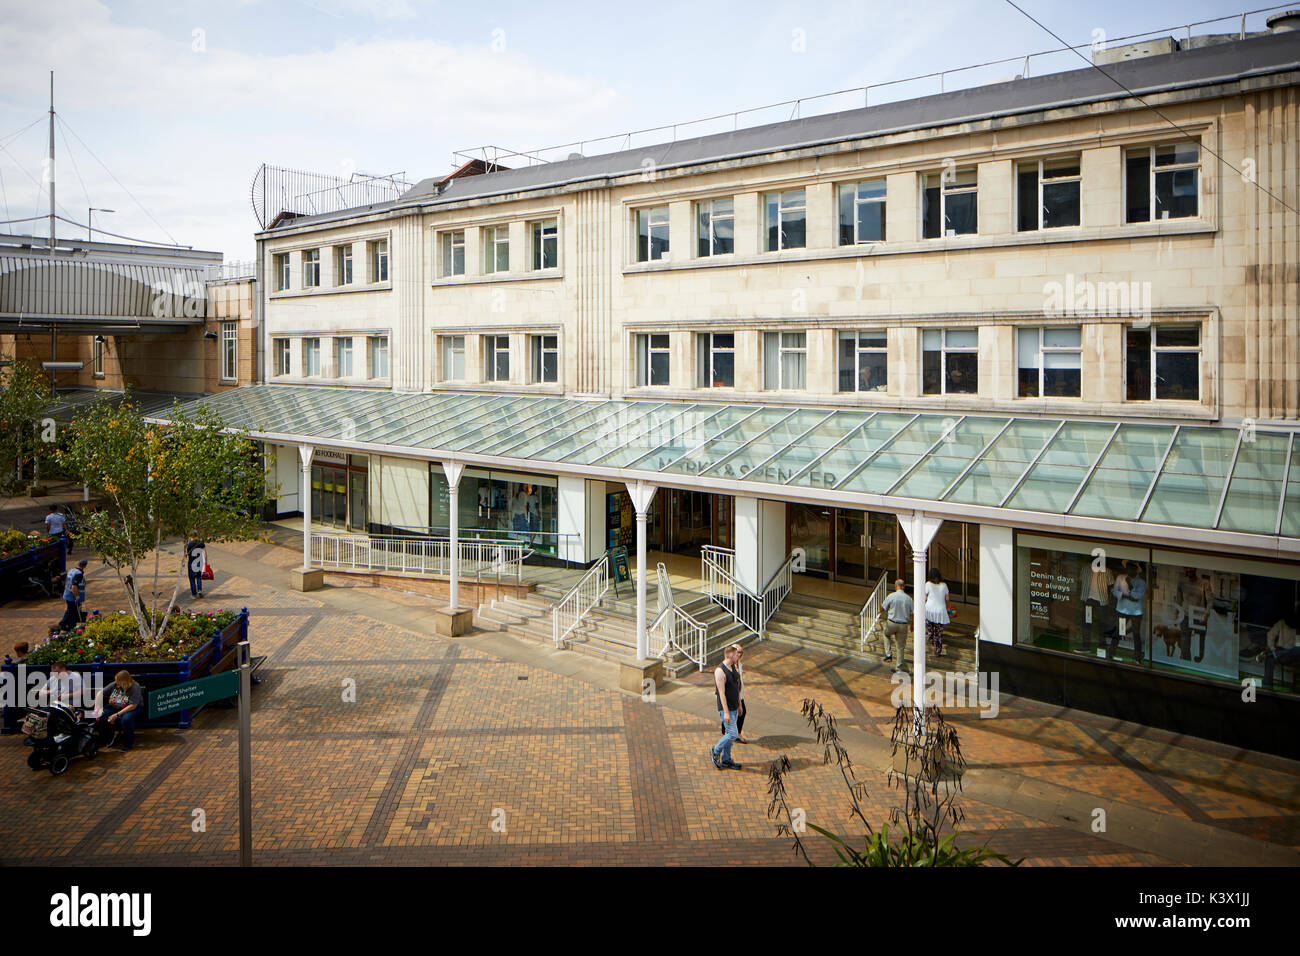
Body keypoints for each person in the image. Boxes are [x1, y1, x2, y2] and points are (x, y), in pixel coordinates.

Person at [710, 644, 743, 770]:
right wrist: (726, 712)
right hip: (726, 708)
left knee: (730, 733)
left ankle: (726, 759)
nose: (738, 656)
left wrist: (740, 705)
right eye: (735, 654)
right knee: (733, 734)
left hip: (734, 706)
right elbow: (721, 693)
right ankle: (716, 750)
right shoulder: (720, 671)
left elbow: (737, 688)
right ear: (729, 655)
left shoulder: (734, 668)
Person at [94, 670, 143, 752]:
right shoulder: (115, 685)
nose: (116, 683)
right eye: (116, 681)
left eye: (118, 681)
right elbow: (100, 693)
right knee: (101, 716)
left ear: (124, 681)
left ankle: (128, 744)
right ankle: (108, 737)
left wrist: (116, 715)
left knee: (126, 720)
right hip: (115, 706)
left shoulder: (135, 687)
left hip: (131, 708)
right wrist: (97, 707)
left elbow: (133, 705)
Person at [880, 577, 913, 670]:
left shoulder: (891, 596)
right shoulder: (909, 599)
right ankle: (898, 667)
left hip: (892, 623)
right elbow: (914, 612)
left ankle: (889, 654)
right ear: (904, 587)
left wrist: (880, 610)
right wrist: (912, 624)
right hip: (903, 625)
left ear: (896, 586)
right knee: (900, 647)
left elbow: (883, 607)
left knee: (885, 634)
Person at [719, 644, 749, 743]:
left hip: (738, 694)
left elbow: (738, 683)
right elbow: (722, 692)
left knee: (740, 713)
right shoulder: (725, 668)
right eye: (737, 652)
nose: (739, 654)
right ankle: (716, 749)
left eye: (741, 652)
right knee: (731, 719)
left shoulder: (738, 664)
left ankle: (732, 734)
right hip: (732, 697)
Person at [1263, 616, 1299, 690]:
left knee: (1294, 650)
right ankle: (1267, 688)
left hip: (1295, 654)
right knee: (1269, 660)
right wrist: (1272, 648)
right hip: (1282, 653)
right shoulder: (1281, 623)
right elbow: (1270, 634)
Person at [923, 569, 951, 657]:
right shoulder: (944, 585)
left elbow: (924, 596)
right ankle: (937, 650)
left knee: (929, 627)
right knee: (938, 633)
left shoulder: (927, 584)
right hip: (940, 611)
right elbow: (947, 598)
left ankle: (930, 635)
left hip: (929, 609)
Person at [57, 559, 89, 631]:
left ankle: (70, 627)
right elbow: (74, 586)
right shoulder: (79, 574)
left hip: (67, 594)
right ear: (85, 566)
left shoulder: (71, 571)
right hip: (73, 596)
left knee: (72, 611)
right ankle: (62, 624)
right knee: (71, 611)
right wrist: (77, 597)